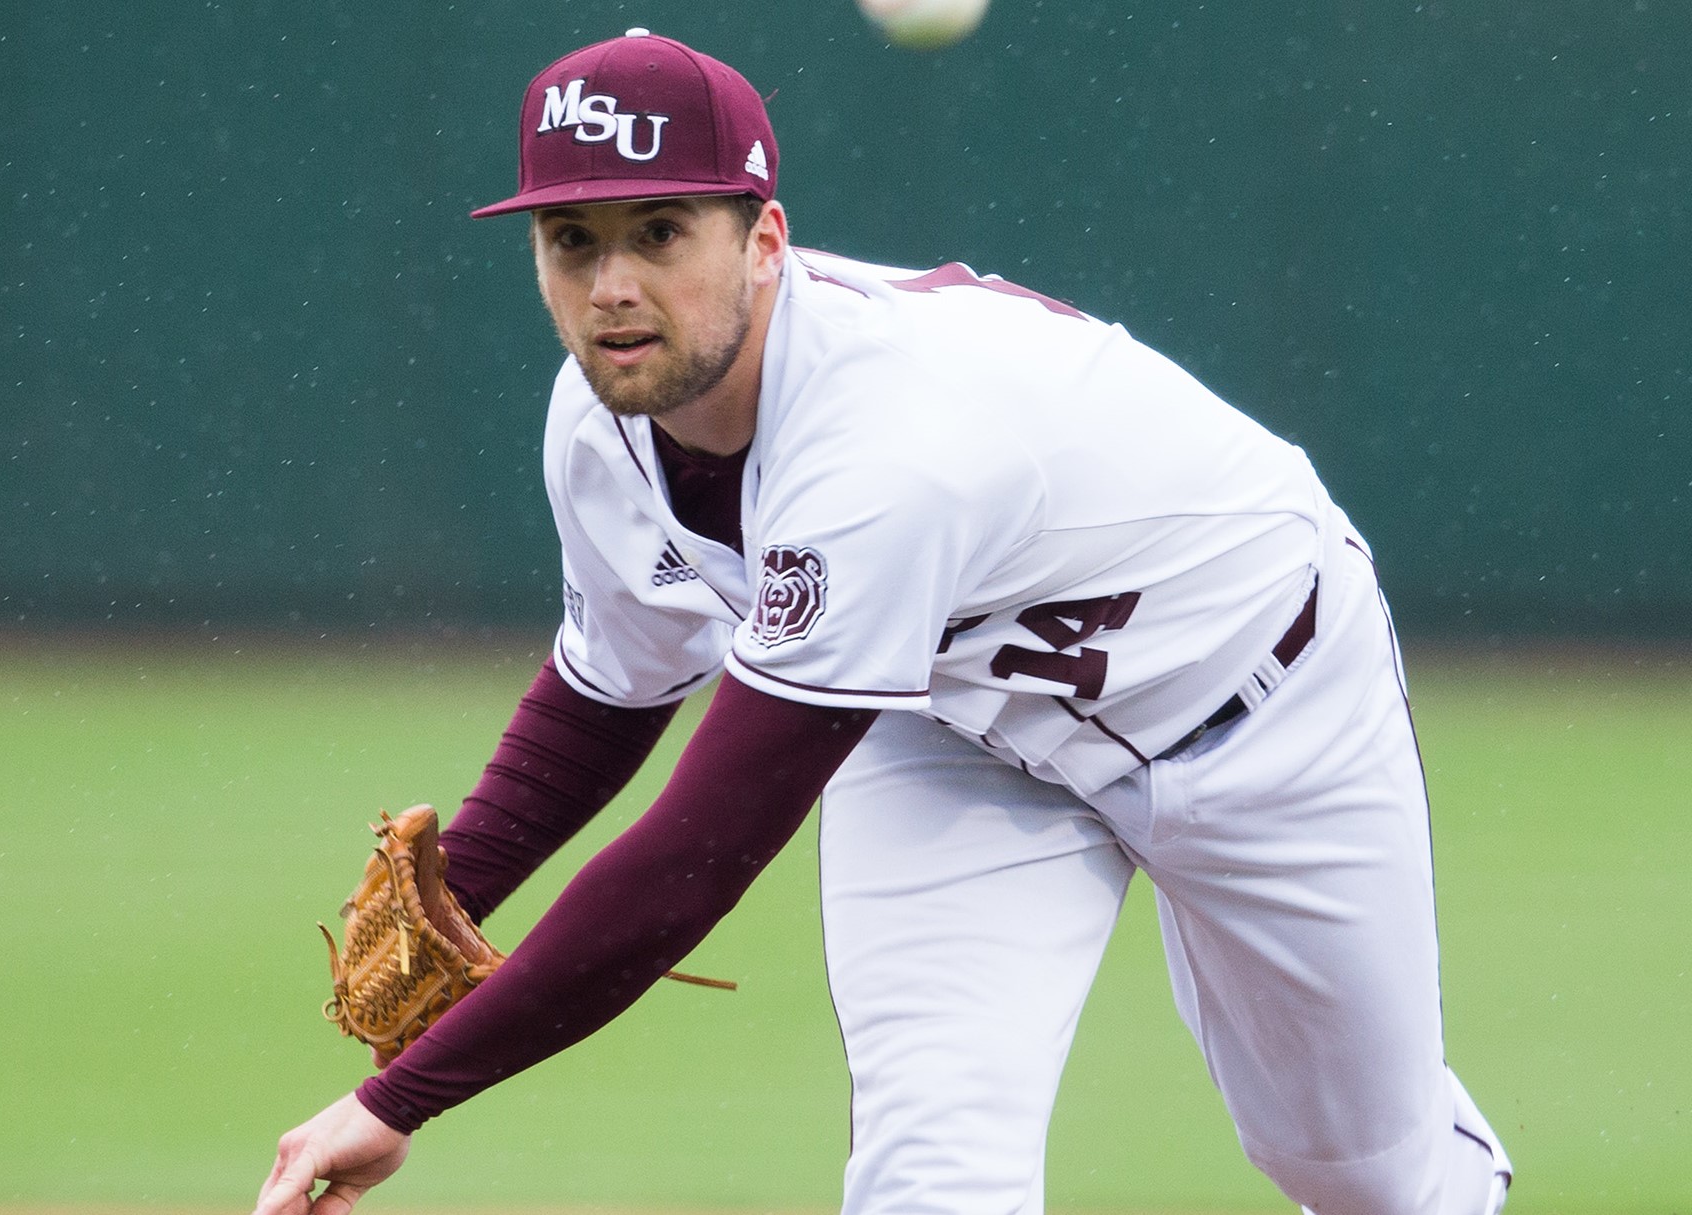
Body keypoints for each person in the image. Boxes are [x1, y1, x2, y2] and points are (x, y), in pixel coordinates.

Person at [254, 29, 1512, 1215]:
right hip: (957, 730)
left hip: (1262, 701)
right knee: (930, 1174)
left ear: (764, 241)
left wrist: (405, 1095)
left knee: (1360, 1174)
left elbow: (697, 853)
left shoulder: (886, 446)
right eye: (571, 241)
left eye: (659, 230)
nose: (613, 284)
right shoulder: (597, 422)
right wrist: (459, 882)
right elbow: (606, 697)